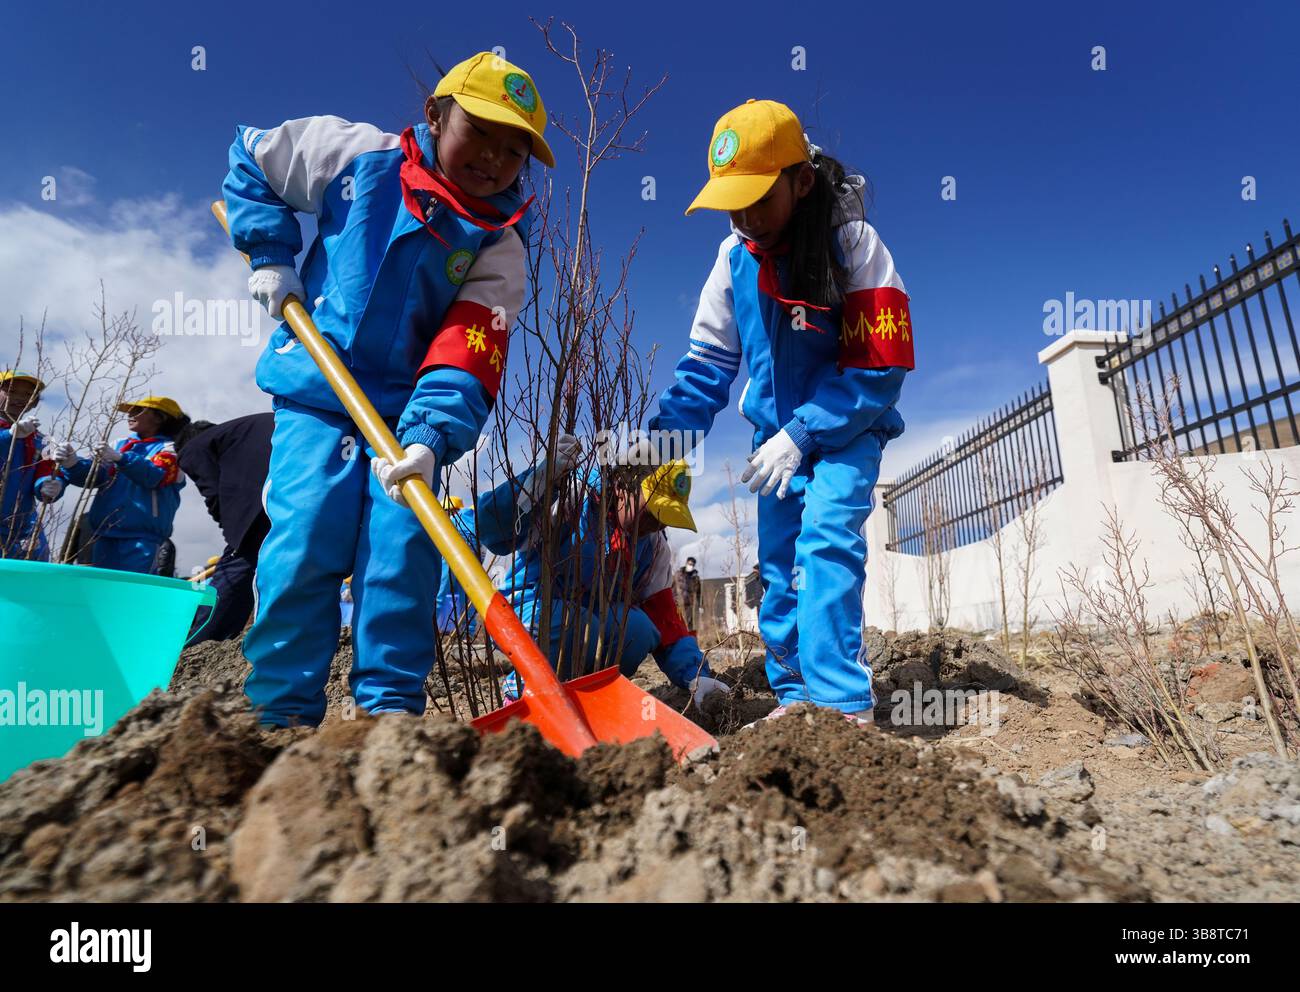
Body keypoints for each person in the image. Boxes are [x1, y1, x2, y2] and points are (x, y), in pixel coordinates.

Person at [222, 52, 554, 727]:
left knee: (403, 557)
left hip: (407, 422)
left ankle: (389, 721)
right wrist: (269, 252)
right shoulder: (357, 157)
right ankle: (282, 716)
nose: (493, 158)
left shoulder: (499, 246)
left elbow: (468, 347)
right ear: (434, 115)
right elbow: (253, 155)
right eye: (480, 133)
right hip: (320, 395)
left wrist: (432, 438)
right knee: (306, 541)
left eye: (513, 150)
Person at [647, 99, 915, 726]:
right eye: (733, 202)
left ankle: (843, 704)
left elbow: (883, 364)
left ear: (800, 181)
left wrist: (806, 431)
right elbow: (706, 368)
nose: (745, 217)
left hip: (846, 428)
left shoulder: (853, 244)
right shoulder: (732, 259)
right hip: (775, 443)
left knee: (826, 542)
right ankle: (797, 701)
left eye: (759, 198)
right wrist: (657, 449)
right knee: (777, 568)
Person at [482, 450, 731, 710]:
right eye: (652, 512)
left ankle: (588, 695)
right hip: (527, 611)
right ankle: (521, 693)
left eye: (665, 519)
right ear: (622, 489)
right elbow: (493, 531)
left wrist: (695, 674)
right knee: (572, 623)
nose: (657, 525)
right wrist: (541, 482)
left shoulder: (654, 547)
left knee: (638, 629)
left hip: (587, 621)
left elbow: (664, 619)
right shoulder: (573, 500)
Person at [52, 396, 190, 573]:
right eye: (130, 411)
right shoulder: (119, 444)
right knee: (103, 593)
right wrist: (72, 464)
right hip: (104, 535)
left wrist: (122, 458)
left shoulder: (172, 449)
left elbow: (154, 476)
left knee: (134, 594)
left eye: (137, 411)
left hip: (143, 539)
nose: (130, 415)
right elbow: (95, 477)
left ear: (159, 417)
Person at [177, 413, 272, 645]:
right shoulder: (244, 432)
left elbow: (213, 493)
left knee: (238, 568)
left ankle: (200, 642)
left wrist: (233, 534)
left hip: (260, 507)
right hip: (303, 491)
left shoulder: (194, 447)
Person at [0, 370, 63, 560]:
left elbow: (47, 471)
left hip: (22, 525)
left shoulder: (40, 439)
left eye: (28, 394)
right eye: (12, 391)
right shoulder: (15, 433)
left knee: (32, 575)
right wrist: (9, 437)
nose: (20, 398)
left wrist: (50, 485)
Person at [673, 555, 702, 631]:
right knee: (676, 622)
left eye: (692, 565)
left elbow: (699, 593)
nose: (690, 566)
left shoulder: (695, 578)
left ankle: (688, 638)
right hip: (677, 603)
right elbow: (671, 587)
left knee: (688, 623)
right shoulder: (678, 575)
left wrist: (700, 605)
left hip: (689, 604)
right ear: (686, 563)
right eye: (689, 564)